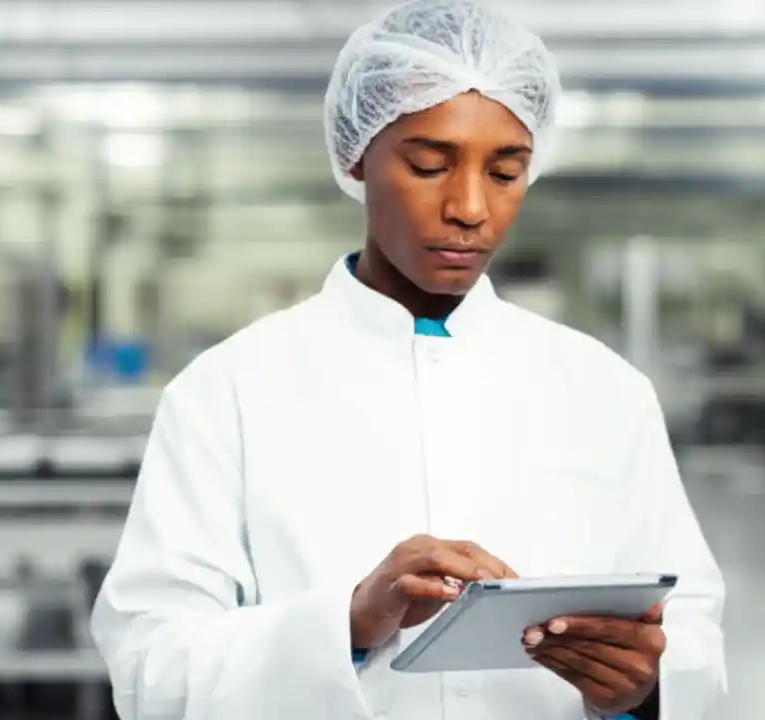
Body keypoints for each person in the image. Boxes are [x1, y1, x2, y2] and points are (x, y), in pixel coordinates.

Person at [90, 1, 726, 718]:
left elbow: (693, 626)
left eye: (507, 172)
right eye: (429, 165)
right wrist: (350, 622)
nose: (470, 207)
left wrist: (648, 688)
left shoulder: (605, 391)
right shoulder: (228, 392)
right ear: (355, 155)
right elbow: (150, 671)